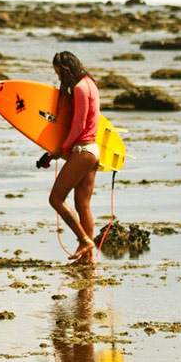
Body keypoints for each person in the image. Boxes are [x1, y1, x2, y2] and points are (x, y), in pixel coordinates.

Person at [44, 51, 100, 265]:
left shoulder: (79, 88)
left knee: (55, 199)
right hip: (94, 151)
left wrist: (62, 149)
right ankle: (88, 259)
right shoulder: (91, 84)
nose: (59, 79)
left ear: (66, 70)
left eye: (59, 75)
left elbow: (78, 125)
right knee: (82, 204)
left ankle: (84, 240)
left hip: (82, 151)